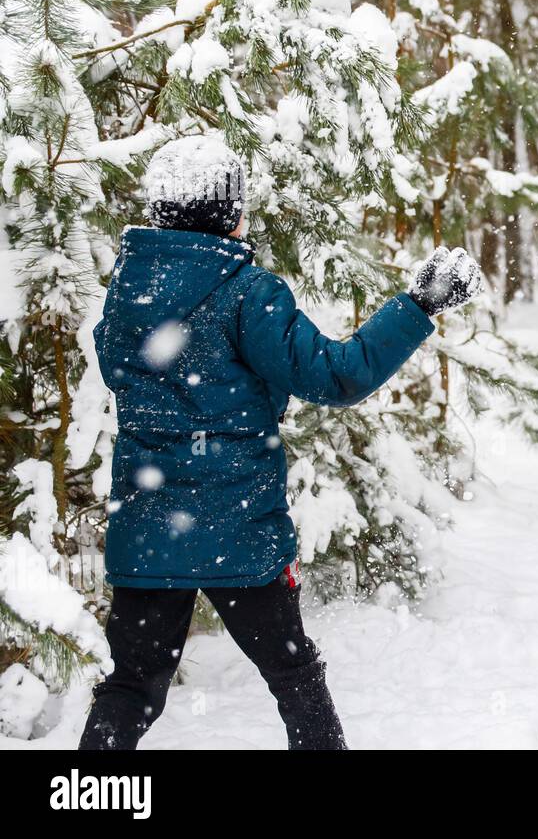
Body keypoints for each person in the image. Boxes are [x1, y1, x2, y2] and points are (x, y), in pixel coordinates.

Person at [80, 135, 483, 749]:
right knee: (294, 674)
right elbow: (337, 374)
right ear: (227, 214)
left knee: (131, 686)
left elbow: (120, 373)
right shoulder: (247, 292)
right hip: (236, 530)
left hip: (149, 526)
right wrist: (418, 305)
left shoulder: (128, 289)